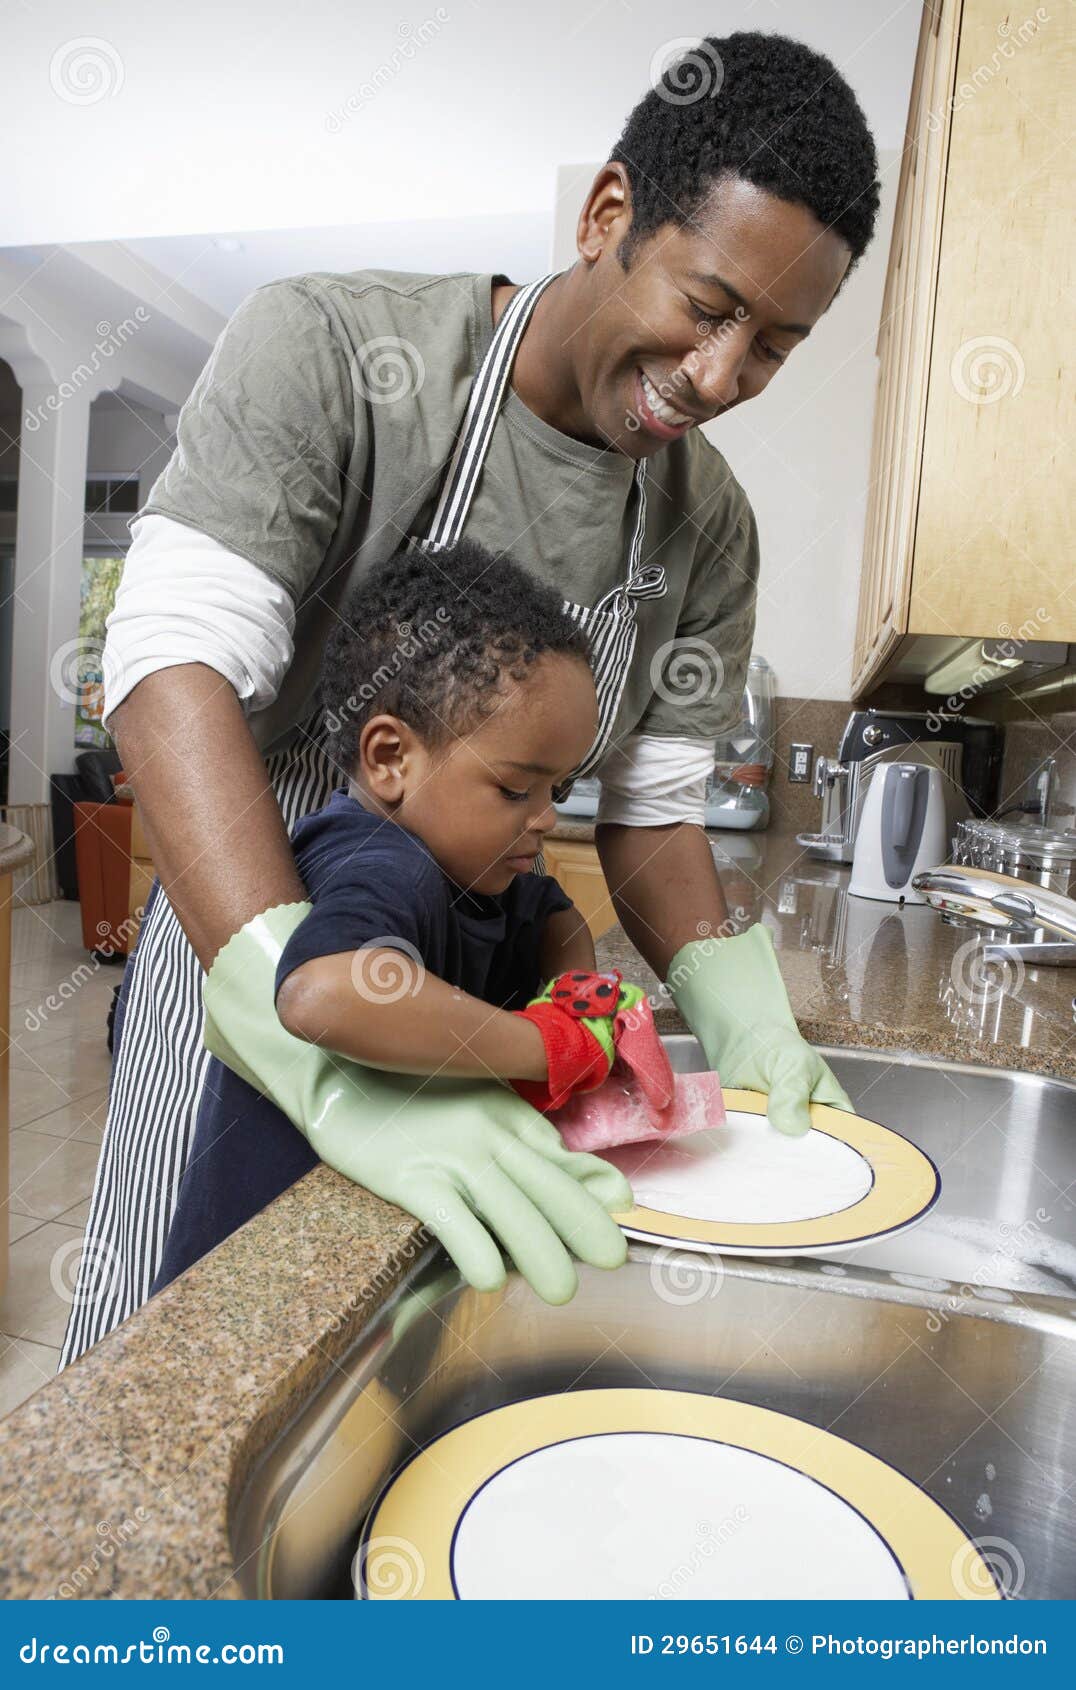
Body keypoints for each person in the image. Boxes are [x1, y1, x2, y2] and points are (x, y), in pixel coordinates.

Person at [60, 31, 878, 1368]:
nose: (720, 377)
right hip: (245, 965)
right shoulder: (332, 352)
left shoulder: (705, 528)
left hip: (469, 1031)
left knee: (379, 1379)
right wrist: (302, 1022)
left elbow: (655, 820)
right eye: (708, 304)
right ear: (609, 213)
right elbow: (165, 676)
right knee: (166, 1357)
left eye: (775, 347)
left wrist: (745, 1015)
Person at [151, 539, 641, 1296]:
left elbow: (556, 920)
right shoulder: (381, 861)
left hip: (370, 1243)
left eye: (562, 791)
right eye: (518, 789)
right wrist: (542, 1046)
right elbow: (324, 993)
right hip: (255, 1267)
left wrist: (577, 1000)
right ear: (389, 759)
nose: (545, 820)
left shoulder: (490, 868)